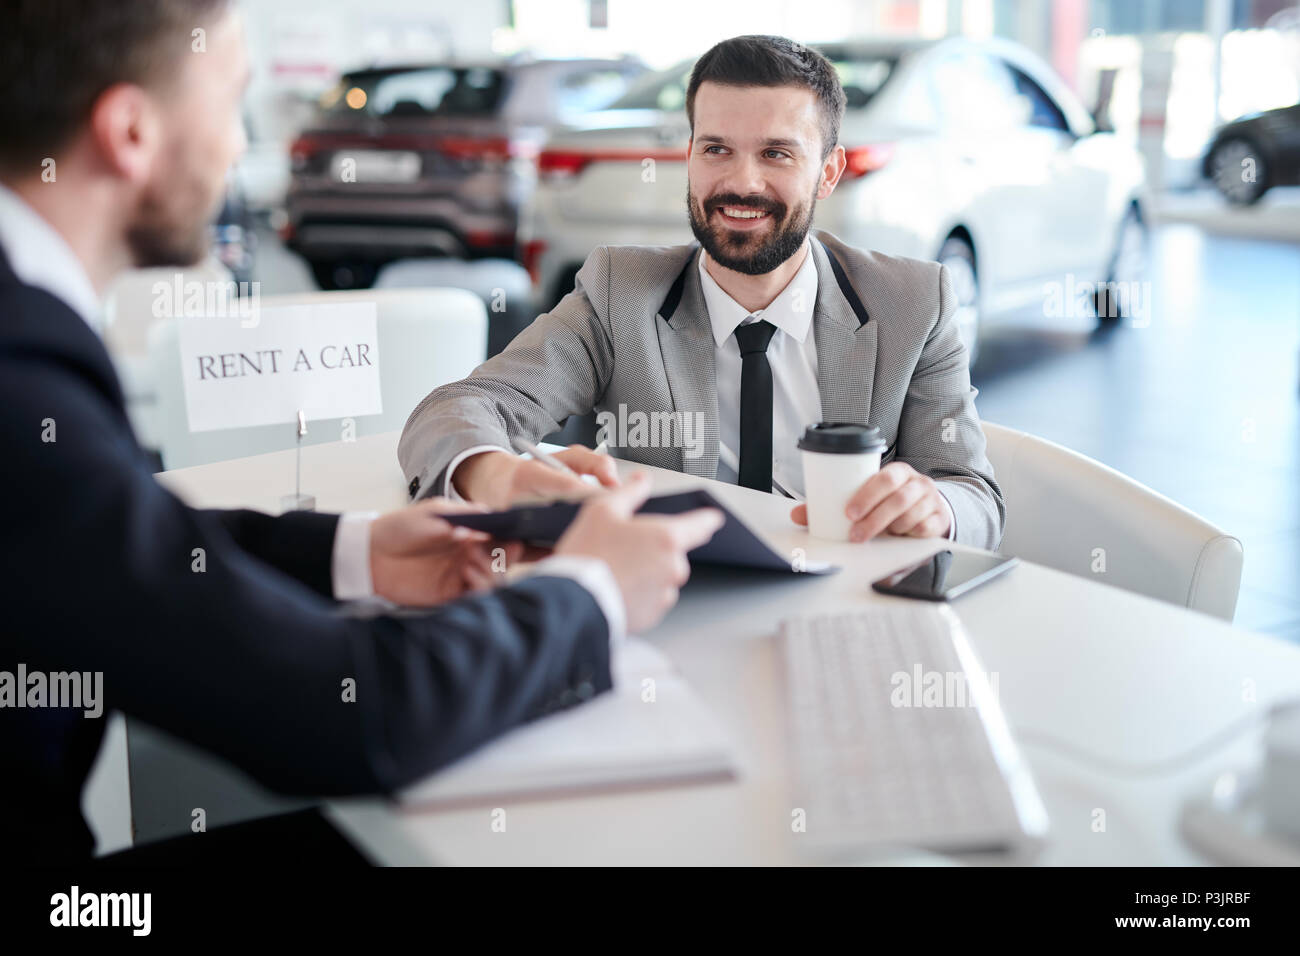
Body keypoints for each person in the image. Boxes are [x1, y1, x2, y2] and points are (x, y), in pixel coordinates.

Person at [0, 0, 722, 865]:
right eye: (230, 103)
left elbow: (120, 545)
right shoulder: (20, 371)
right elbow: (348, 713)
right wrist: (591, 595)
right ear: (129, 131)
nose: (238, 149)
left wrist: (361, 553)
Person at [399, 34, 1004, 550]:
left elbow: (972, 492)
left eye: (776, 154)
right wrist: (498, 477)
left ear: (828, 172)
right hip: (673, 599)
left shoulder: (915, 302)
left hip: (849, 602)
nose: (742, 182)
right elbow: (458, 408)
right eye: (716, 149)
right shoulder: (620, 292)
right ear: (688, 156)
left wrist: (937, 507)